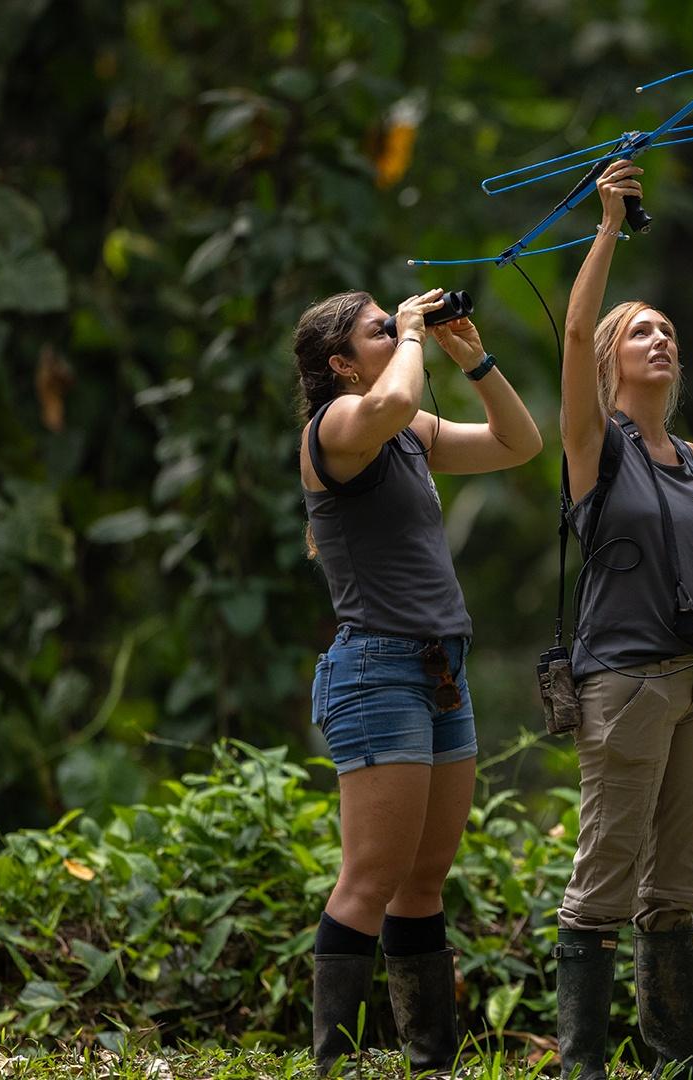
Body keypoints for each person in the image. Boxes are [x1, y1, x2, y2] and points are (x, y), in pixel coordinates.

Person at [292, 288, 542, 1074]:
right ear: (341, 364)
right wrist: (408, 334)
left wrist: (476, 360)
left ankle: (432, 1061)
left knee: (425, 879)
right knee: (371, 877)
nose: (399, 334)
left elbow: (519, 443)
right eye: (377, 330)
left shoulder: (404, 433)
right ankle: (334, 1063)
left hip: (440, 671)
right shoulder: (338, 425)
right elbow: (395, 399)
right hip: (378, 670)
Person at [552, 161, 693, 1080]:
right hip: (625, 683)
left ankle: (678, 1065)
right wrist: (607, 226)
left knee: (674, 887)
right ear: (611, 359)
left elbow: (687, 576)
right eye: (641, 330)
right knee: (603, 881)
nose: (661, 338)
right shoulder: (595, 444)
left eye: (667, 329)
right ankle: (584, 1066)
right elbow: (569, 332)